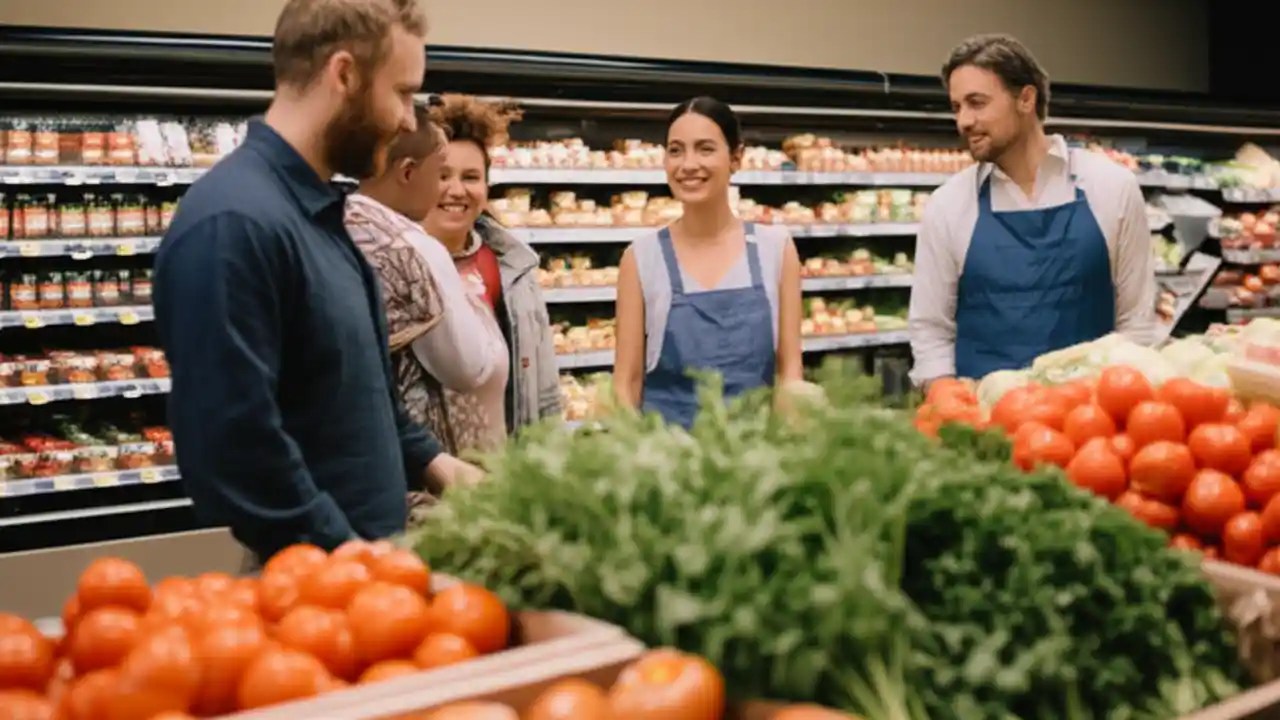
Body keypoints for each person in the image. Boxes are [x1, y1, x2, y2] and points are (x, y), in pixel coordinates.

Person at [153, 0, 478, 565]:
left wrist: (438, 462)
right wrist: (349, 560)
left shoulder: (323, 217)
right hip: (315, 596)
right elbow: (236, 455)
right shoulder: (234, 223)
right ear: (345, 75)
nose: (408, 120)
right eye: (402, 92)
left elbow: (353, 395)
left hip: (364, 583)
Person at [908, 34, 1156, 390]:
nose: (963, 121)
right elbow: (931, 332)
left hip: (1089, 426)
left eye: (976, 103)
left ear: (1026, 98)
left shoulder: (1111, 187)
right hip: (983, 427)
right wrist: (947, 405)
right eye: (956, 107)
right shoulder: (948, 204)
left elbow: (1137, 323)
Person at [344, 102, 508, 521]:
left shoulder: (334, 227)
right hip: (428, 482)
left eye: (471, 177)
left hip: (357, 468)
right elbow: (467, 367)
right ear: (407, 172)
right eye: (441, 175)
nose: (446, 190)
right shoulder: (414, 247)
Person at [613, 96, 803, 428]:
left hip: (759, 464)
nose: (687, 164)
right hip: (666, 465)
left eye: (705, 149)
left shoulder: (776, 250)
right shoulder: (641, 258)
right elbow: (626, 387)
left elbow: (790, 379)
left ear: (736, 158)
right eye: (675, 150)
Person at [422, 95, 561, 432]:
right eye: (442, 176)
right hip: (421, 472)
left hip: (502, 471)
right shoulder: (397, 265)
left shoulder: (513, 270)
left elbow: (544, 391)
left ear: (487, 187)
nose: (456, 190)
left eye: (471, 177)